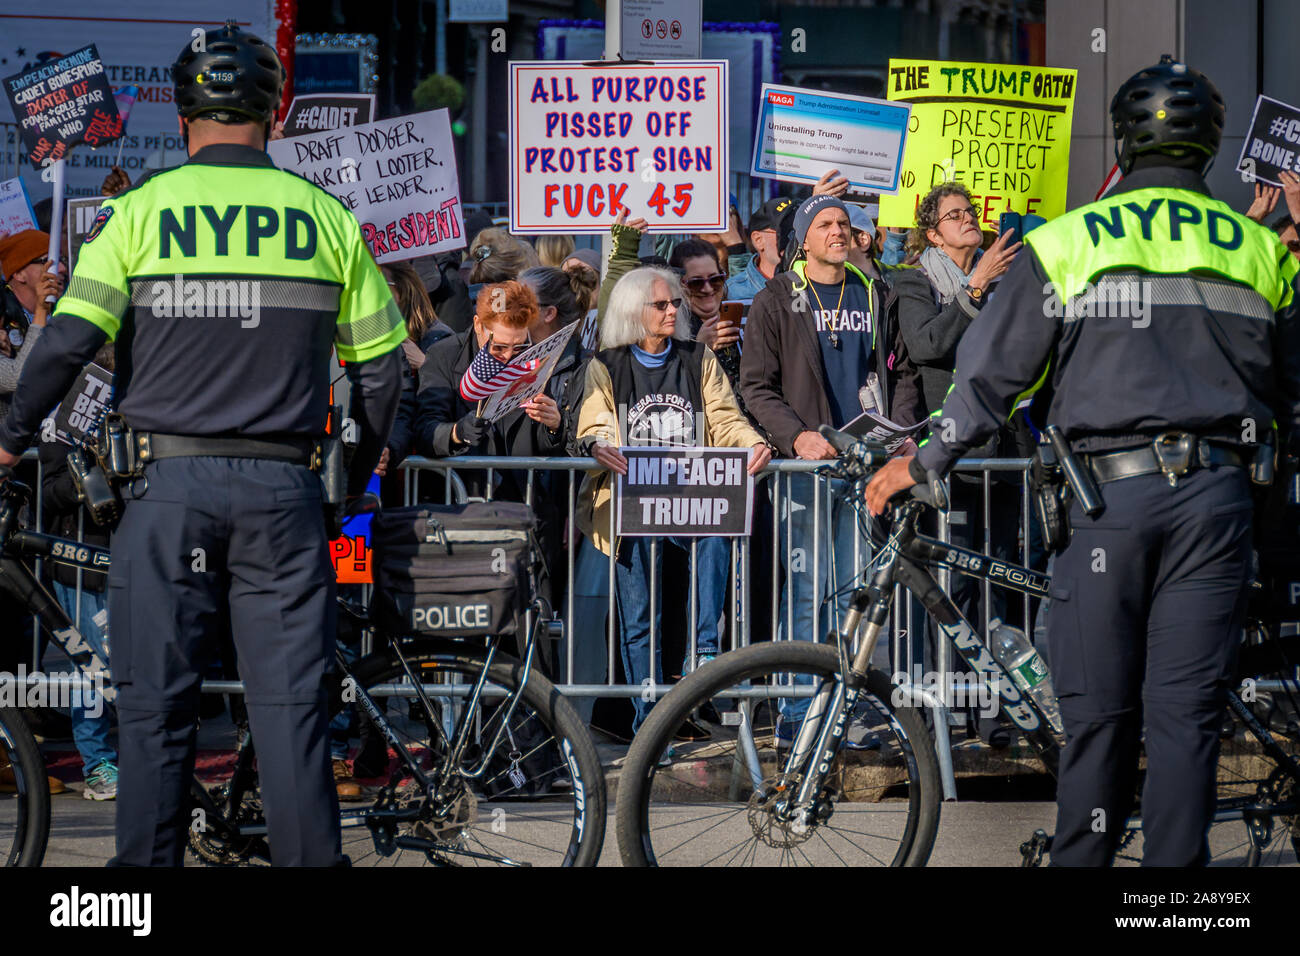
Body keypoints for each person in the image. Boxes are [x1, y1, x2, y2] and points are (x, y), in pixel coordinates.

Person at [865, 56, 1300, 867]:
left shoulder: (1068, 240)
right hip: (1218, 501)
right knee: (1185, 712)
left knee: (1100, 713)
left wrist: (923, 461)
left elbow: (990, 377)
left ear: (1127, 141)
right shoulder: (1260, 248)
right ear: (1209, 142)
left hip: (1108, 503)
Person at [0, 21, 405, 866]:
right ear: (274, 112)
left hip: (169, 492)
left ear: (183, 114)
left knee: (154, 716)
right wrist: (349, 483)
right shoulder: (328, 218)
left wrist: (8, 441)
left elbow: (68, 343)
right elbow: (380, 376)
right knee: (292, 716)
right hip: (287, 496)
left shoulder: (140, 212)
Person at [740, 194, 922, 736]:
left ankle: (845, 701)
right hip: (808, 472)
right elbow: (756, 385)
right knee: (807, 588)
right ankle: (798, 711)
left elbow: (904, 373)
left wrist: (905, 431)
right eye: (826, 224)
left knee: (854, 588)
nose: (839, 232)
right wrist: (795, 436)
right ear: (805, 237)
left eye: (844, 223)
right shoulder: (776, 300)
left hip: (866, 466)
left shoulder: (875, 291)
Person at [574, 266, 769, 733]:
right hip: (633, 504)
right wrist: (599, 444)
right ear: (632, 311)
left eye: (673, 304)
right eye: (661, 304)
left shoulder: (697, 358)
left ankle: (703, 651)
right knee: (640, 618)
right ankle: (649, 725)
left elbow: (725, 417)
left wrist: (751, 442)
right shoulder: (608, 364)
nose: (672, 311)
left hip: (691, 497)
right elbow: (594, 421)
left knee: (715, 539)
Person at [890, 182, 1030, 743]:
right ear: (932, 233)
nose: (968, 220)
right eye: (954, 215)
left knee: (1008, 580)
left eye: (971, 212)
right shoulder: (913, 281)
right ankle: (945, 707)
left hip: (1009, 452)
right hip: (953, 455)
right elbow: (925, 346)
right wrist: (975, 288)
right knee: (954, 587)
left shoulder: (1010, 273)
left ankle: (1006, 710)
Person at [40, 343, 119, 800]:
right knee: (92, 664)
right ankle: (98, 765)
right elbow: (48, 491)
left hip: (135, 555)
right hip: (81, 561)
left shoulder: (146, 406)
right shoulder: (63, 419)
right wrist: (89, 475)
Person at [0, 230, 64, 419]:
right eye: (47, 261)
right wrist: (41, 311)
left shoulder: (65, 309)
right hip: (10, 445)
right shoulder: (3, 315)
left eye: (61, 260)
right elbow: (18, 378)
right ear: (19, 273)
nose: (60, 268)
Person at [725, 197, 795, 300]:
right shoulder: (733, 293)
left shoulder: (818, 284)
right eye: (784, 231)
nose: (794, 239)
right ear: (758, 240)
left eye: (799, 230)